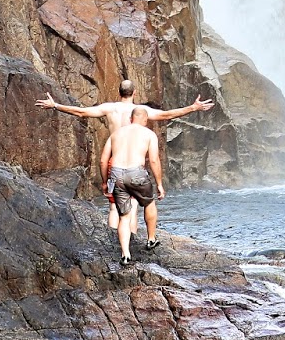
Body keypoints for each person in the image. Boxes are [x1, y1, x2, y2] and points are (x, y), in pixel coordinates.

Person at [36, 80, 213, 229]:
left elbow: (82, 112)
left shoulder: (109, 108)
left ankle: (113, 238)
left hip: (115, 163)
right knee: (133, 205)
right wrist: (193, 108)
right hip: (135, 165)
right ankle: (132, 238)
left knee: (114, 205)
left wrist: (55, 105)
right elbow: (166, 115)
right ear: (134, 92)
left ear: (119, 92)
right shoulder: (140, 111)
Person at [100, 107, 164, 265]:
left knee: (124, 216)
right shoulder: (148, 134)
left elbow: (103, 160)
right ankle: (151, 239)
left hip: (116, 174)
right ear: (145, 120)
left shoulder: (116, 134)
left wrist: (104, 181)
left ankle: (125, 254)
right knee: (149, 202)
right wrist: (159, 184)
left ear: (130, 118)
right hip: (136, 173)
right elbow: (154, 160)